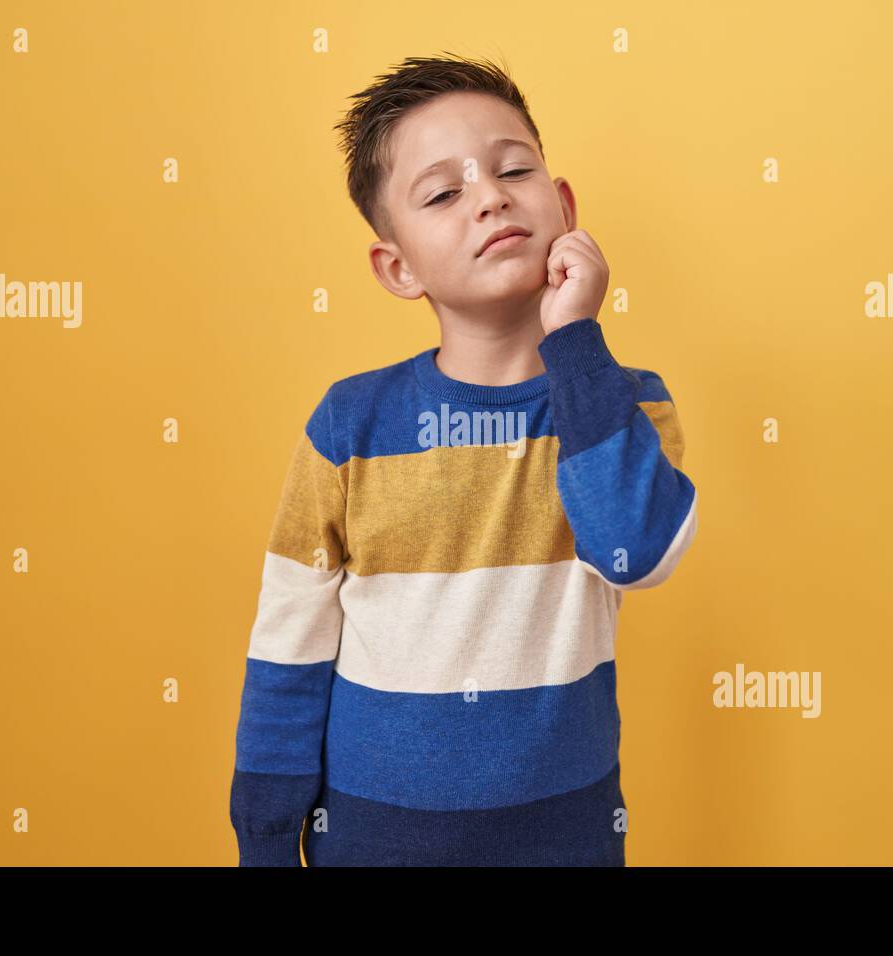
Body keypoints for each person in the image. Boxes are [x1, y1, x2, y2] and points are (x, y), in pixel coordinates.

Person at [230, 52, 698, 866]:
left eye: (513, 169)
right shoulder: (349, 425)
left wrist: (577, 341)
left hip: (567, 838)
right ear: (398, 266)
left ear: (562, 208)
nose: (489, 196)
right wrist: (266, 840)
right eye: (444, 193)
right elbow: (289, 646)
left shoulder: (621, 402)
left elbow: (637, 553)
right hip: (374, 841)